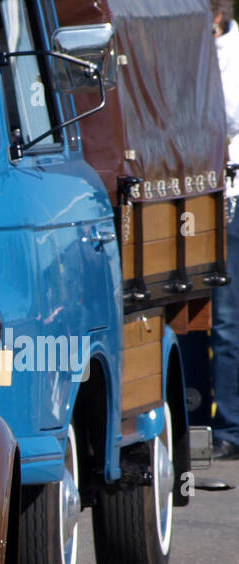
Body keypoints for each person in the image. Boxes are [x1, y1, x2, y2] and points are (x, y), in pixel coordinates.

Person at [210, 0, 239, 459]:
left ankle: (231, 427)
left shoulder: (230, 56)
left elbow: (228, 116)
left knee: (229, 322)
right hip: (210, 197)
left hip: (232, 195)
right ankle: (224, 426)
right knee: (220, 321)